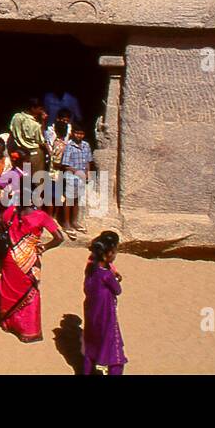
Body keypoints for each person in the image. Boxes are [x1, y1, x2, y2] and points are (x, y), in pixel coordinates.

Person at [0, 197, 64, 343]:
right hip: (29, 260)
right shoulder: (41, 216)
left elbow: (1, 224)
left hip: (11, 258)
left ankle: (9, 323)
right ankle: (28, 331)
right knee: (31, 292)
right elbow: (59, 238)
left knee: (9, 290)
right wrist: (45, 247)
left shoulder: (11, 211)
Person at [82, 231, 126, 375]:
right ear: (107, 254)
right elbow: (117, 290)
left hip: (92, 311)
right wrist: (116, 279)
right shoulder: (106, 274)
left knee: (92, 341)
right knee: (111, 344)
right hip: (106, 314)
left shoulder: (91, 269)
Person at [60, 126, 94, 236]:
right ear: (73, 133)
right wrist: (77, 172)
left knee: (77, 200)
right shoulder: (69, 146)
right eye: (77, 133)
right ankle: (66, 223)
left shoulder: (86, 145)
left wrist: (88, 173)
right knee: (69, 200)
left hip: (82, 177)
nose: (79, 135)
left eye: (81, 133)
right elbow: (65, 165)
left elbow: (88, 161)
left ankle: (74, 222)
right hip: (71, 177)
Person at [8, 97, 47, 179]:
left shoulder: (16, 117)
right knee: (37, 180)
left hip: (20, 152)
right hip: (34, 153)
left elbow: (11, 132)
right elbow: (41, 140)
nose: (41, 111)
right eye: (40, 109)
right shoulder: (35, 124)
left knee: (23, 179)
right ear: (33, 108)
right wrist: (43, 121)